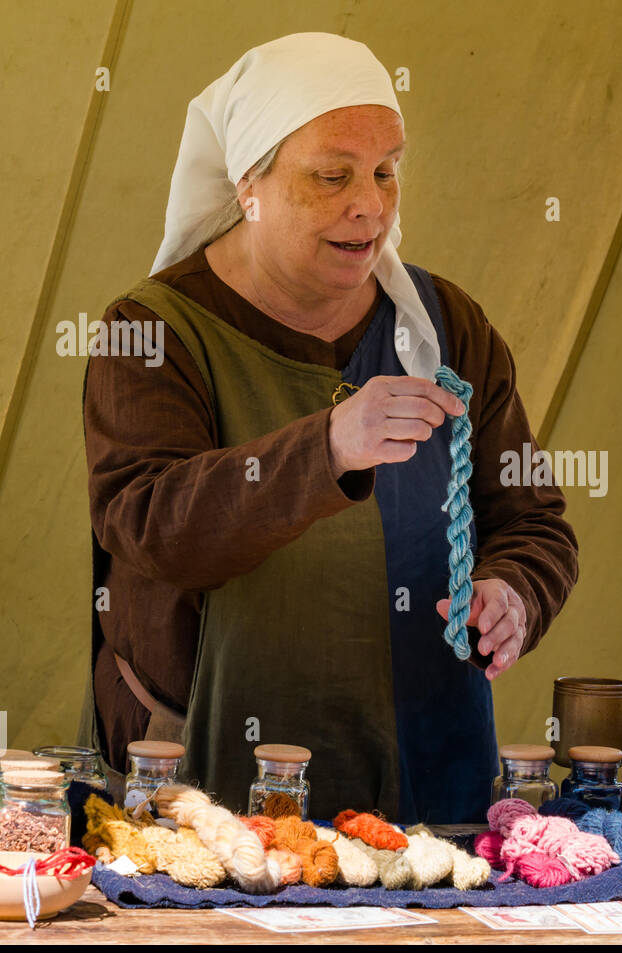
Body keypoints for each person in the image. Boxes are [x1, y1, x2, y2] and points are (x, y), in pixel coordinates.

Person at [80, 33, 578, 824]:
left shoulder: (449, 326)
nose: (371, 204)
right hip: (211, 790)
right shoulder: (155, 331)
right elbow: (150, 524)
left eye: (386, 171)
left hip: (430, 785)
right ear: (250, 185)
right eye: (331, 175)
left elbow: (533, 520)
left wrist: (516, 591)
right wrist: (328, 448)